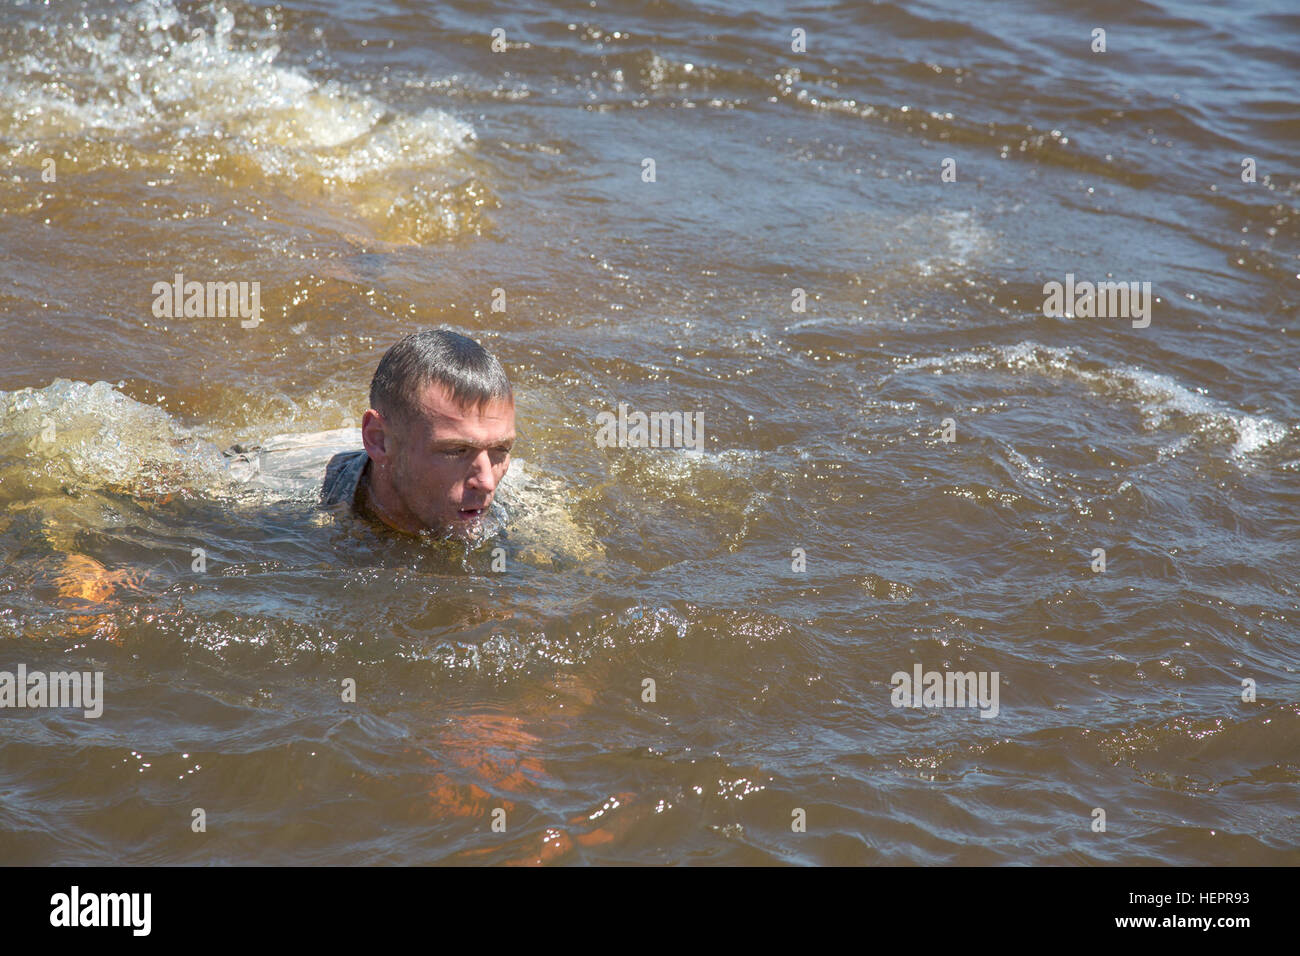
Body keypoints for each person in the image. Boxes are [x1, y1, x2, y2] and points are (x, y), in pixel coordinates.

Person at [322, 328, 516, 536]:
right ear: (378, 440)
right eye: (457, 450)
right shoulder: (294, 504)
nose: (486, 483)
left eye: (501, 448)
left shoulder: (527, 505)